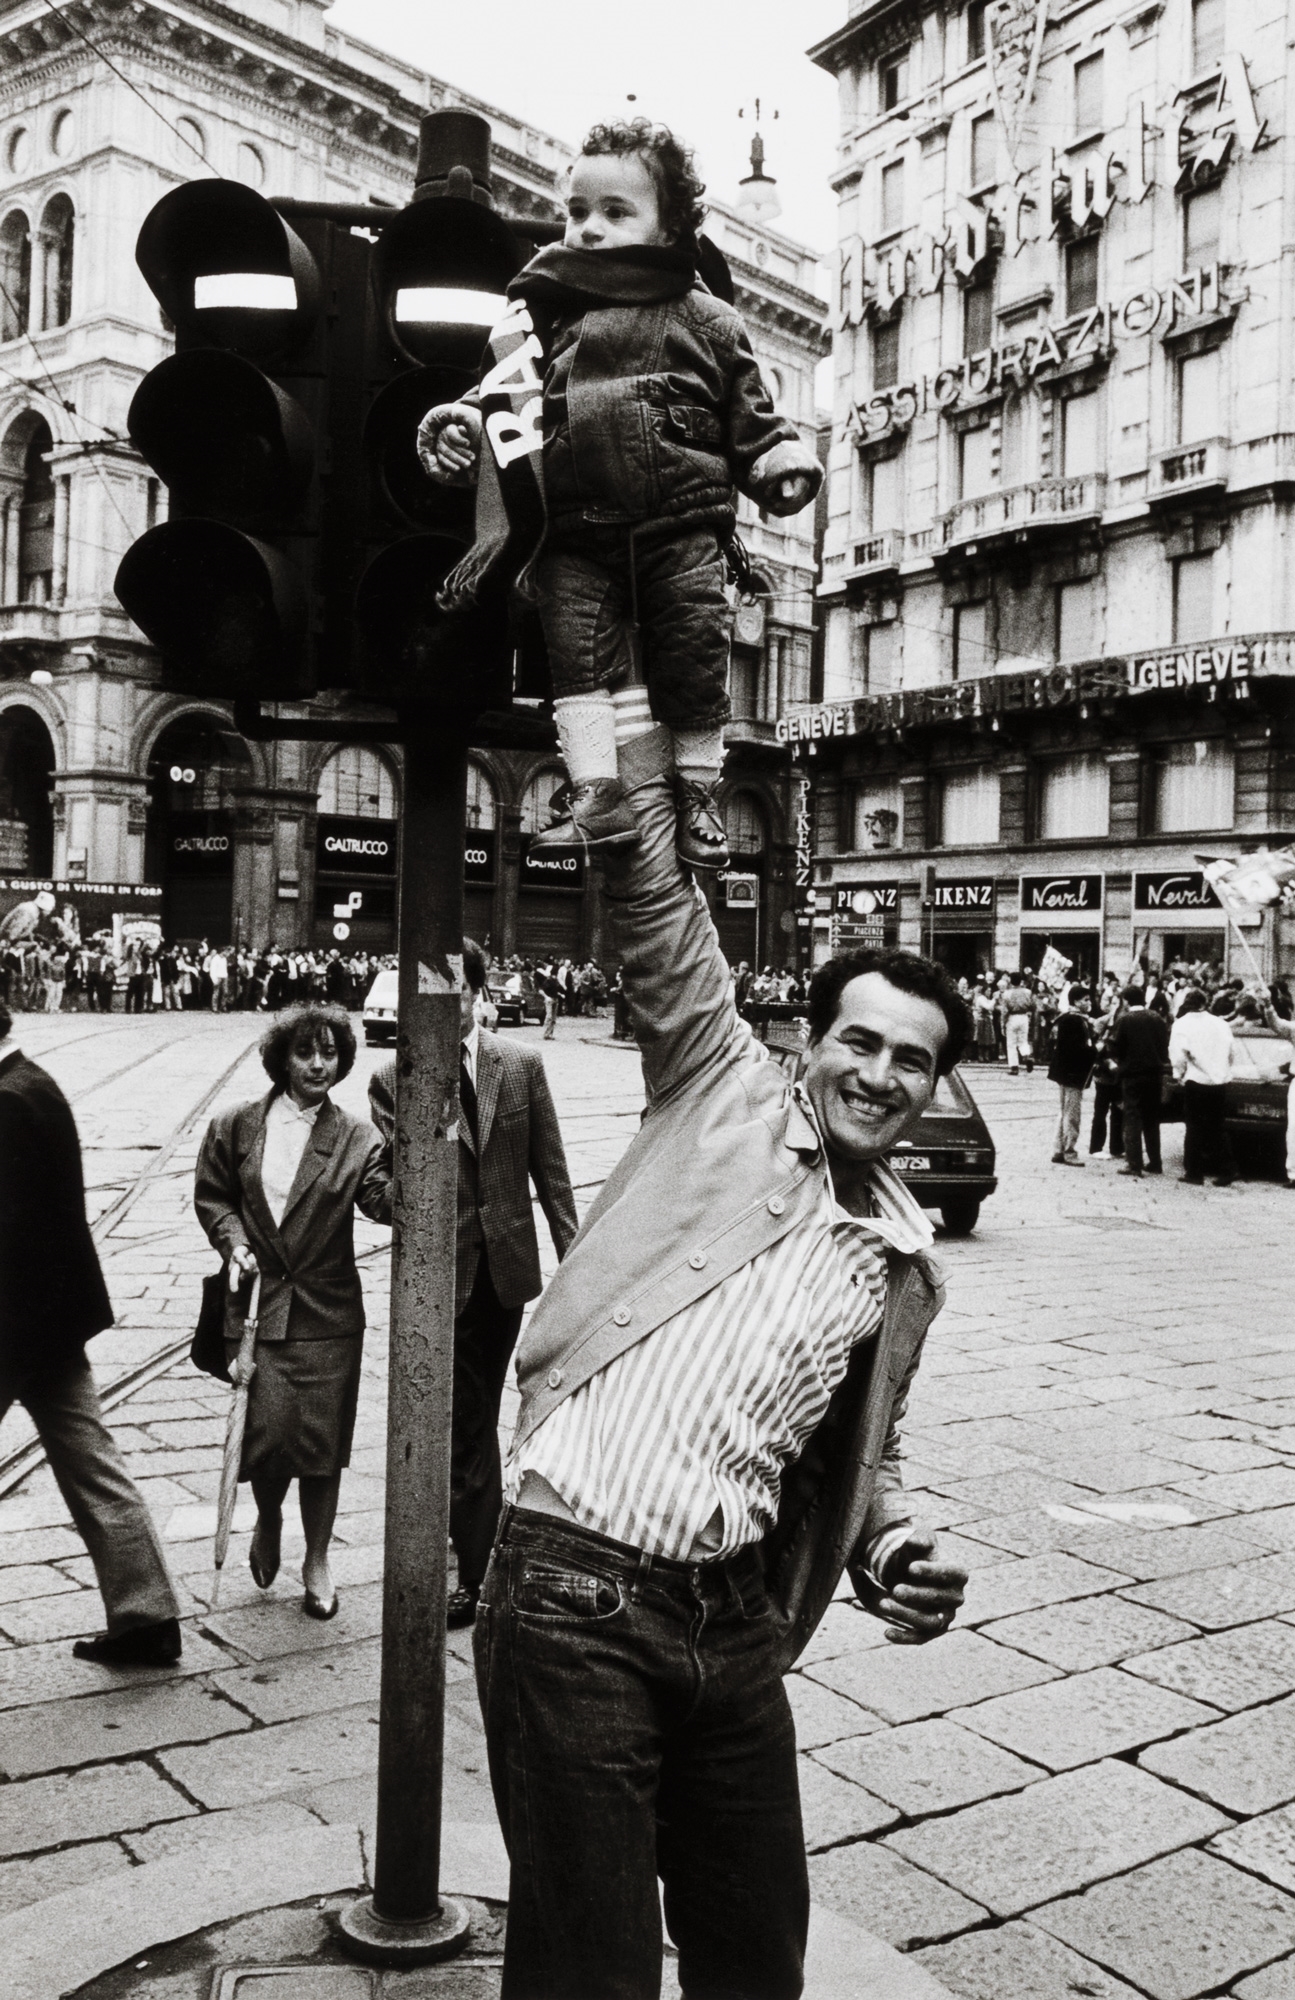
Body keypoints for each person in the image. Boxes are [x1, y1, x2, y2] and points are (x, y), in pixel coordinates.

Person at [474, 723, 968, 2000]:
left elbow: (857, 1441)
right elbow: (655, 903)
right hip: (574, 1581)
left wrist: (888, 1543)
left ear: (932, 1085)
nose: (879, 1072)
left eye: (912, 1059)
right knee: (591, 1964)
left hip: (734, 1615)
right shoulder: (719, 1090)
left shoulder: (902, 1258)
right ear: (810, 1038)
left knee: (756, 1952)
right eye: (859, 1040)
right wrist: (610, 725)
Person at [418, 118, 821, 872]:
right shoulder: (543, 310)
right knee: (574, 660)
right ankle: (595, 795)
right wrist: (454, 422)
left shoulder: (708, 319)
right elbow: (496, 397)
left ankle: (698, 792)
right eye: (577, 212)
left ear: (671, 226)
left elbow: (753, 416)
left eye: (615, 211)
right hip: (570, 529)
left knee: (696, 656)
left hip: (681, 526)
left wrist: (779, 466)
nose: (589, 228)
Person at [369, 941, 578, 1628]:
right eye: (431, 993)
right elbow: (388, 1186)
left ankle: (480, 1552)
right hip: (437, 1278)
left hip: (505, 1273)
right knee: (462, 1423)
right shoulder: (395, 1078)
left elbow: (550, 1173)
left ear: (478, 994)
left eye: (457, 991)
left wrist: (574, 1264)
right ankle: (480, 1564)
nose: (446, 1005)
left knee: (477, 1413)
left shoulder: (519, 1065)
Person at [193, 1003, 392, 1618]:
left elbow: (385, 1203)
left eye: (329, 1054)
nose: (317, 1065)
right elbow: (213, 1194)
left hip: (327, 1314)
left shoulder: (358, 1137)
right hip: (256, 1309)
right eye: (305, 1053)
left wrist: (419, 1145)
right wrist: (235, 1244)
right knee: (270, 1434)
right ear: (282, 1059)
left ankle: (318, 1558)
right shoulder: (236, 1125)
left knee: (323, 1444)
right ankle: (270, 1517)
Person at [0, 999, 183, 1665]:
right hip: (48, 1324)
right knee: (93, 1464)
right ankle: (148, 1617)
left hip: (13, 1326)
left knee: (93, 1463)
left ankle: (147, 1616)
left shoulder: (9, 1102)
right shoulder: (31, 1082)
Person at [1169, 987, 1236, 1187]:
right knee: (1217, 1126)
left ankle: (1194, 1172)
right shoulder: (1221, 1023)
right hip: (1219, 1081)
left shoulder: (1181, 1024)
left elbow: (1178, 1054)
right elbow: (1232, 1051)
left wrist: (1178, 1074)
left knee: (1194, 1126)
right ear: (1204, 1003)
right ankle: (1228, 1168)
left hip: (1196, 1079)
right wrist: (1224, 1070)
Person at [1113, 983, 1170, 1178]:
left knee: (1132, 1117)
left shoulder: (1125, 1020)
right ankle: (1155, 1161)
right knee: (1152, 1119)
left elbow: (1116, 1048)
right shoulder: (1157, 1018)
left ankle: (1134, 1163)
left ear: (1127, 1001)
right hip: (1154, 1074)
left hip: (1132, 1075)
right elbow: (1164, 1047)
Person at [1048, 985, 1093, 1166]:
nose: (1089, 1003)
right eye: (1085, 1000)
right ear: (1076, 1001)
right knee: (1072, 1114)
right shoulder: (1074, 1021)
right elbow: (1076, 1049)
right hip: (1072, 1073)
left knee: (1065, 1112)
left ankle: (1058, 1149)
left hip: (1065, 1073)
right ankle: (1069, 1151)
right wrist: (1095, 1051)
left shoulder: (1068, 1018)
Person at [1000, 972, 1035, 1073]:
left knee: (1011, 1043)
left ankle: (1014, 1067)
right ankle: (1027, 1056)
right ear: (1021, 981)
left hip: (1012, 1017)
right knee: (1023, 1040)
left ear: (1011, 981)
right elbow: (1033, 1006)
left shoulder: (1006, 993)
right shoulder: (1028, 992)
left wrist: (1003, 1023)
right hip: (1024, 1017)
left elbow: (1005, 1010)